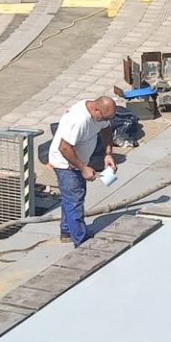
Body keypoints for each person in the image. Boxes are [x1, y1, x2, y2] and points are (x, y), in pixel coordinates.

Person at [51, 96, 117, 246]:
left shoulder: (98, 114)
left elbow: (106, 128)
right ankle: (81, 240)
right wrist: (83, 168)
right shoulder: (79, 121)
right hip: (65, 163)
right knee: (75, 199)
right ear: (96, 110)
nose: (104, 121)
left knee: (71, 198)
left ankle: (67, 230)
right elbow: (64, 148)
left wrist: (108, 153)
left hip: (77, 160)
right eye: (104, 117)